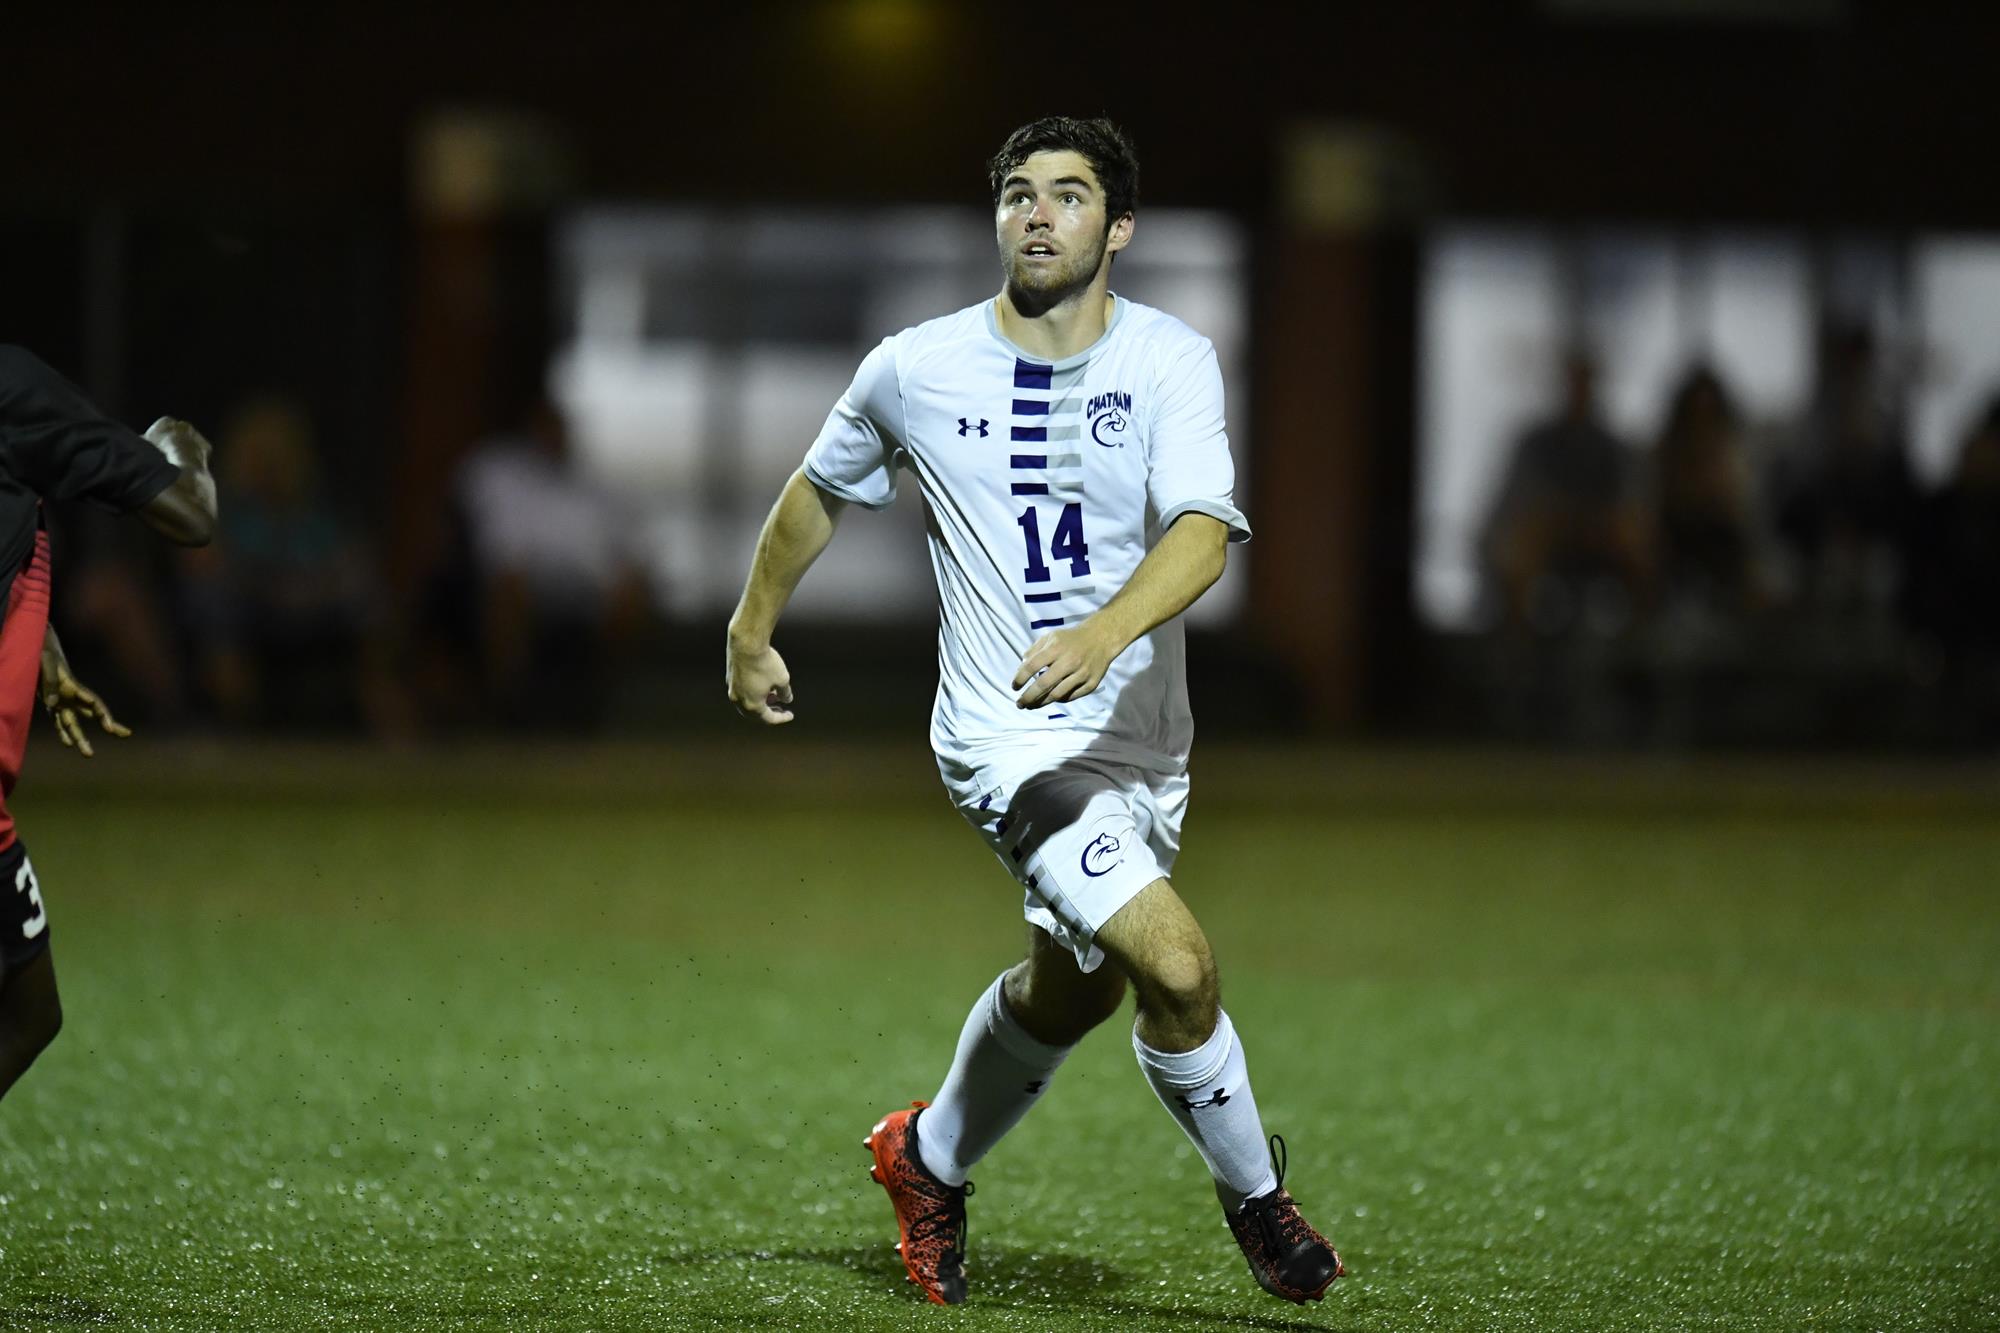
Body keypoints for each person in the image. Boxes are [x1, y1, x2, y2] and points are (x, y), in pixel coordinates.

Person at [724, 117, 1343, 1308]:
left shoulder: (1169, 359)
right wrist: (750, 631)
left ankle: (926, 1158)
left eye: (1068, 195)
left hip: (1140, 744)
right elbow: (814, 493)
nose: (1038, 213)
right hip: (1006, 742)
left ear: (1117, 227)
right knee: (1176, 964)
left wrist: (1102, 635)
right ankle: (1259, 1206)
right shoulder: (915, 365)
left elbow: (1202, 534)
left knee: (1078, 987)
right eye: (1019, 194)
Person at [0, 345, 217, 1100]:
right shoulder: (14, 389)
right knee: (26, 1016)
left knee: (31, 1012)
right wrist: (178, 442)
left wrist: (41, 652)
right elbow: (192, 513)